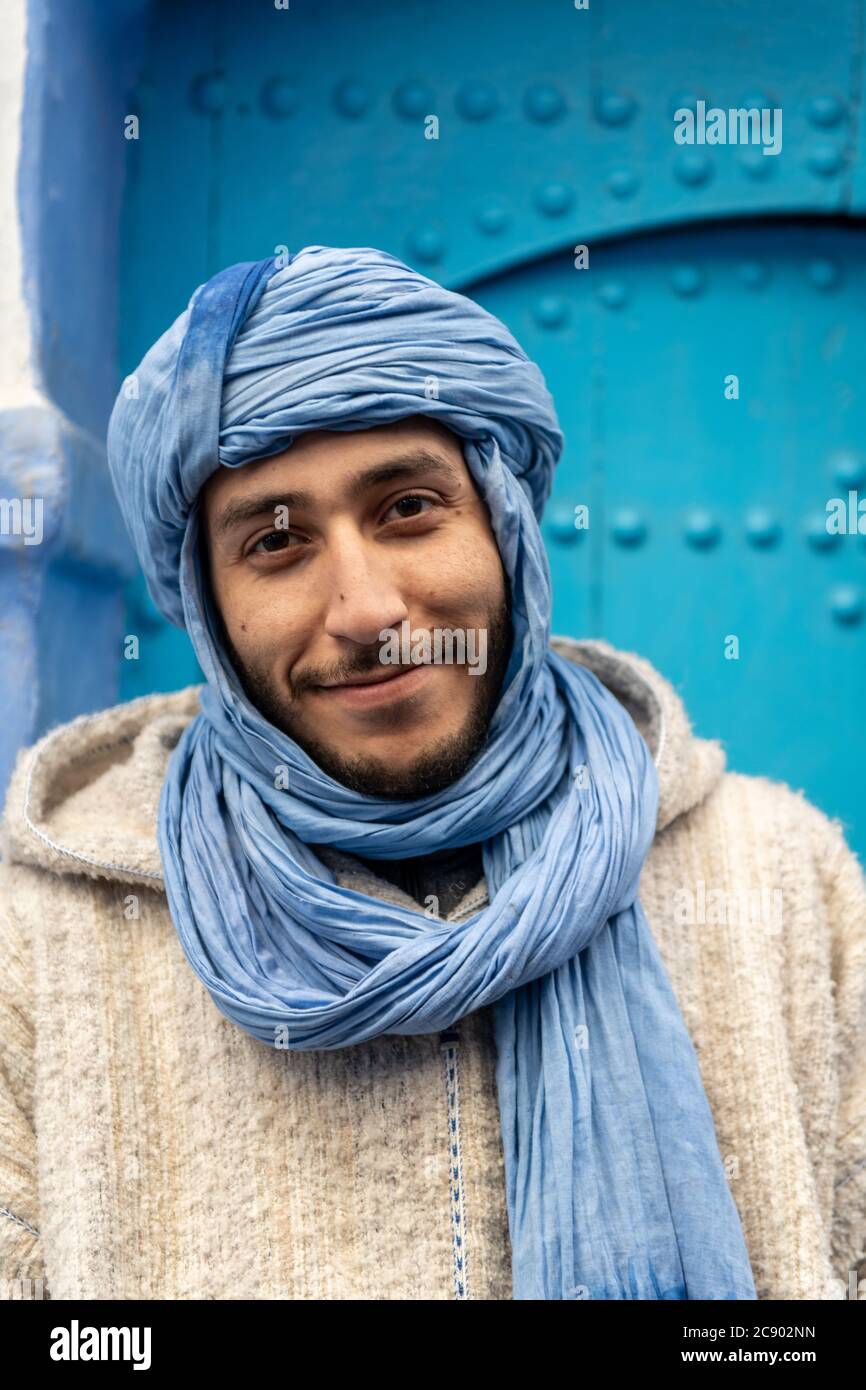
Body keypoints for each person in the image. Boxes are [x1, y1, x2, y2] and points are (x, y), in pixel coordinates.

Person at [0, 246, 863, 1301]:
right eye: (275, 542)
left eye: (407, 508)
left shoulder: (780, 879)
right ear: (205, 601)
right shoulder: (38, 943)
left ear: (502, 525)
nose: (364, 610)